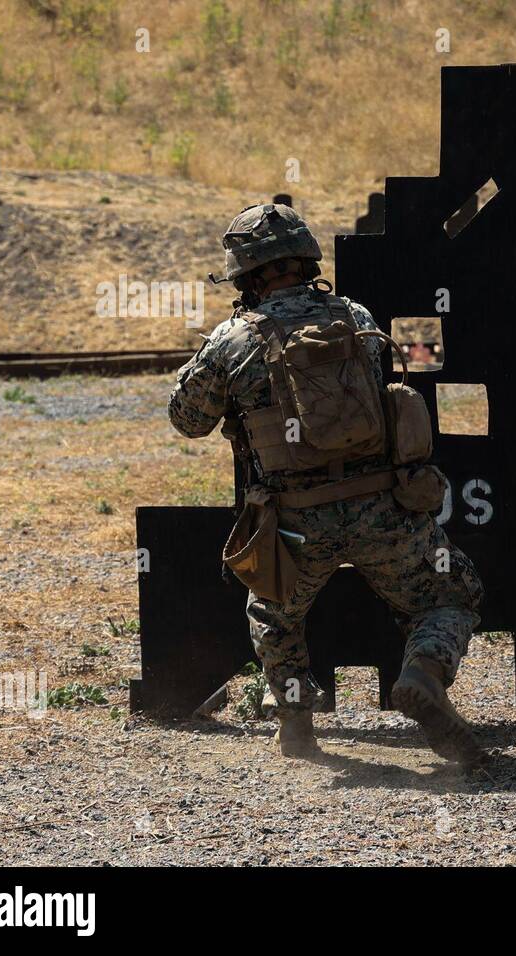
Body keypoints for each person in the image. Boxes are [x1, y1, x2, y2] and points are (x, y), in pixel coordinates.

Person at [168, 202, 483, 764]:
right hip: (383, 506)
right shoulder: (356, 317)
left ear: (245, 273)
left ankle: (295, 726)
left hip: (295, 521)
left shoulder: (232, 339)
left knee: (272, 614)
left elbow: (188, 421)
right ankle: (423, 673)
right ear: (305, 257)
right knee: (448, 595)